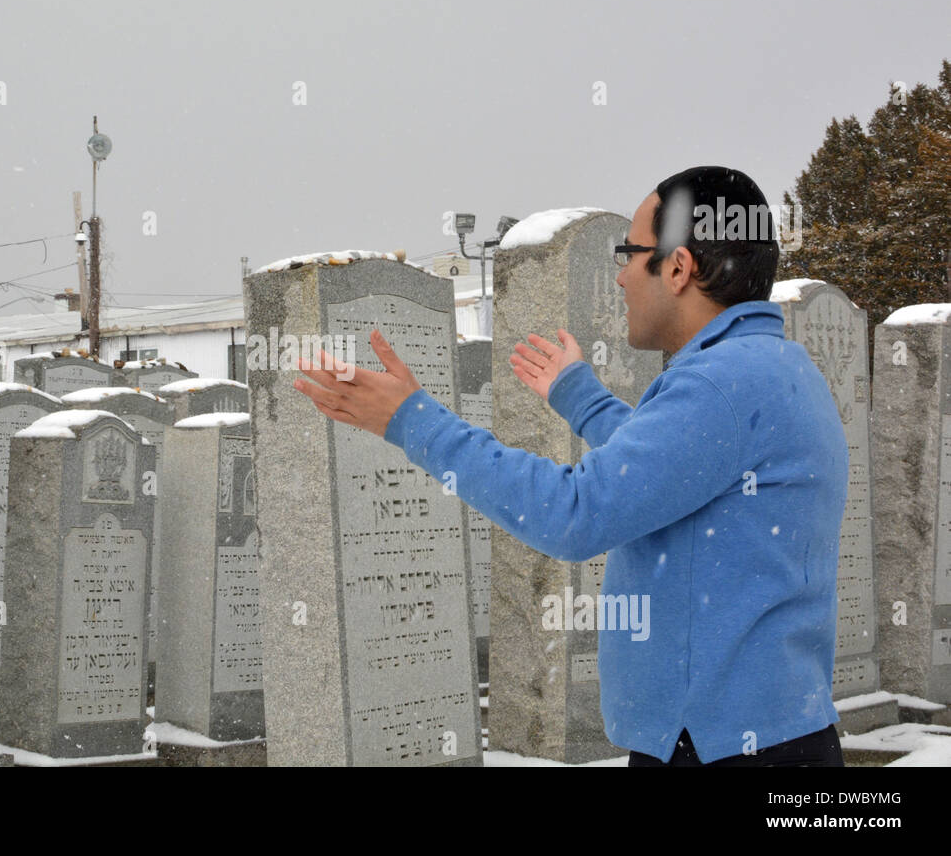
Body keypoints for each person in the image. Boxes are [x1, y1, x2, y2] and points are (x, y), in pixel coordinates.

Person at [294, 166, 848, 767]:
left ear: (679, 267)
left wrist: (412, 421)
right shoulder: (778, 367)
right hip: (775, 731)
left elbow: (576, 512)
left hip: (718, 749)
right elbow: (676, 480)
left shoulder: (720, 383)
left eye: (631, 253)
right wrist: (583, 400)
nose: (620, 275)